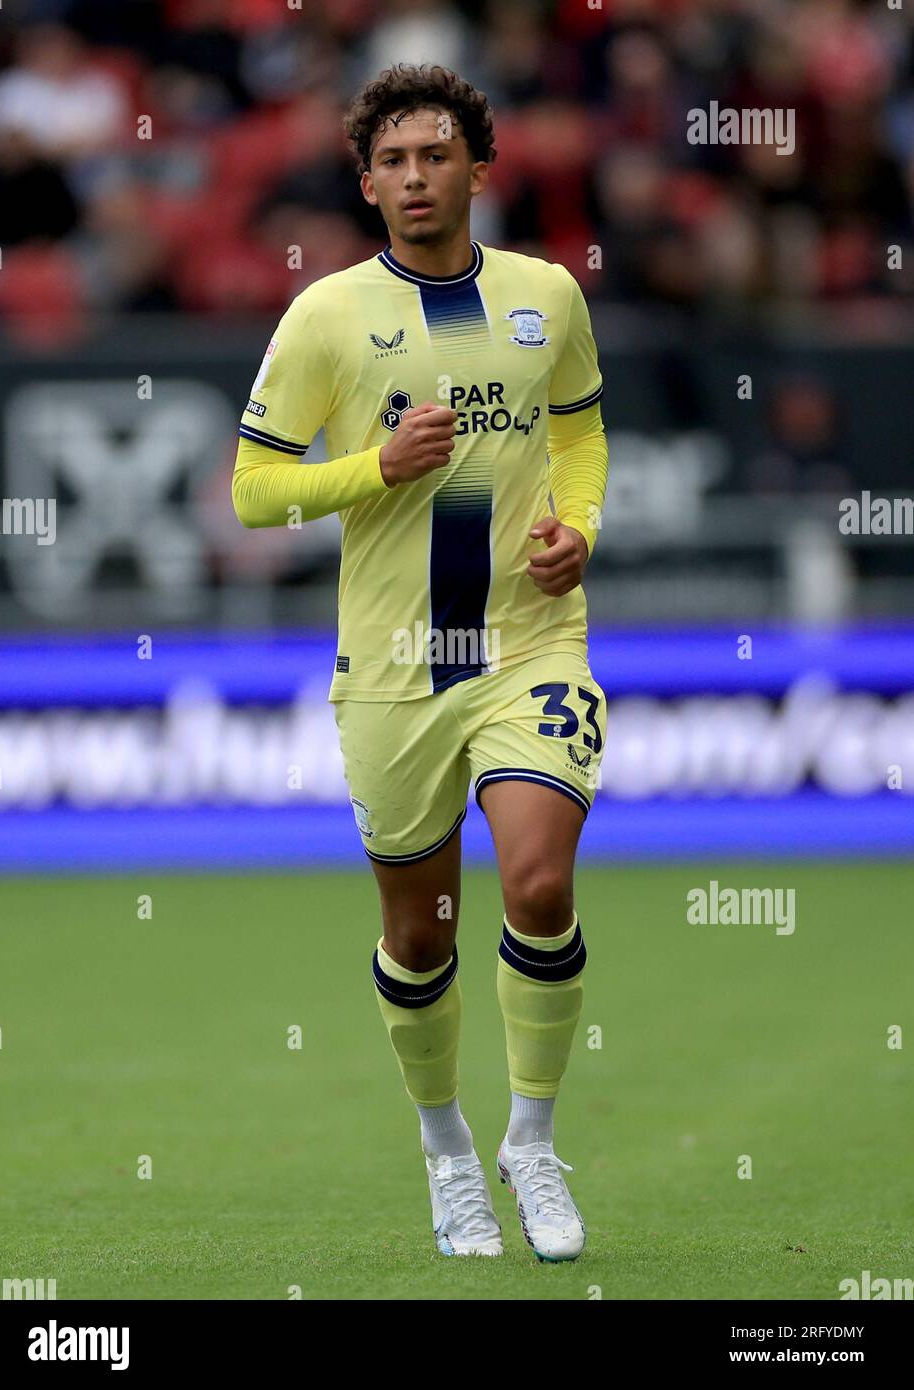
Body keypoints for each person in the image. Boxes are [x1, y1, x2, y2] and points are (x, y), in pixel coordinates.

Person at [232, 63, 609, 1262]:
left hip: (528, 646)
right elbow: (250, 493)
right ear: (365, 181)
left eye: (434, 155)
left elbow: (581, 426)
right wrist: (375, 470)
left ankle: (533, 1143)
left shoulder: (548, 293)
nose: (413, 176)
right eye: (391, 160)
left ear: (476, 168)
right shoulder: (327, 316)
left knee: (541, 886)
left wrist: (579, 528)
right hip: (394, 670)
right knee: (423, 935)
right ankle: (449, 1148)